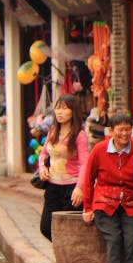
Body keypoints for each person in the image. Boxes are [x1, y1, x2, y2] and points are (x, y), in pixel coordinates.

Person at [81, 111, 133, 263]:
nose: (124, 134)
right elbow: (88, 178)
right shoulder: (99, 150)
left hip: (132, 204)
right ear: (111, 131)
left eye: (128, 129)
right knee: (115, 240)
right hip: (105, 204)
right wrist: (87, 208)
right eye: (120, 130)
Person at [37, 94, 88, 241]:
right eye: (58, 108)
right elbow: (43, 154)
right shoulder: (53, 131)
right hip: (52, 187)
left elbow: (85, 163)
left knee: (69, 231)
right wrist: (42, 168)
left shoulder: (79, 135)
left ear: (73, 112)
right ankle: (64, 252)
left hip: (71, 189)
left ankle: (68, 259)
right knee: (46, 227)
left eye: (64, 109)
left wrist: (80, 188)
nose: (59, 112)